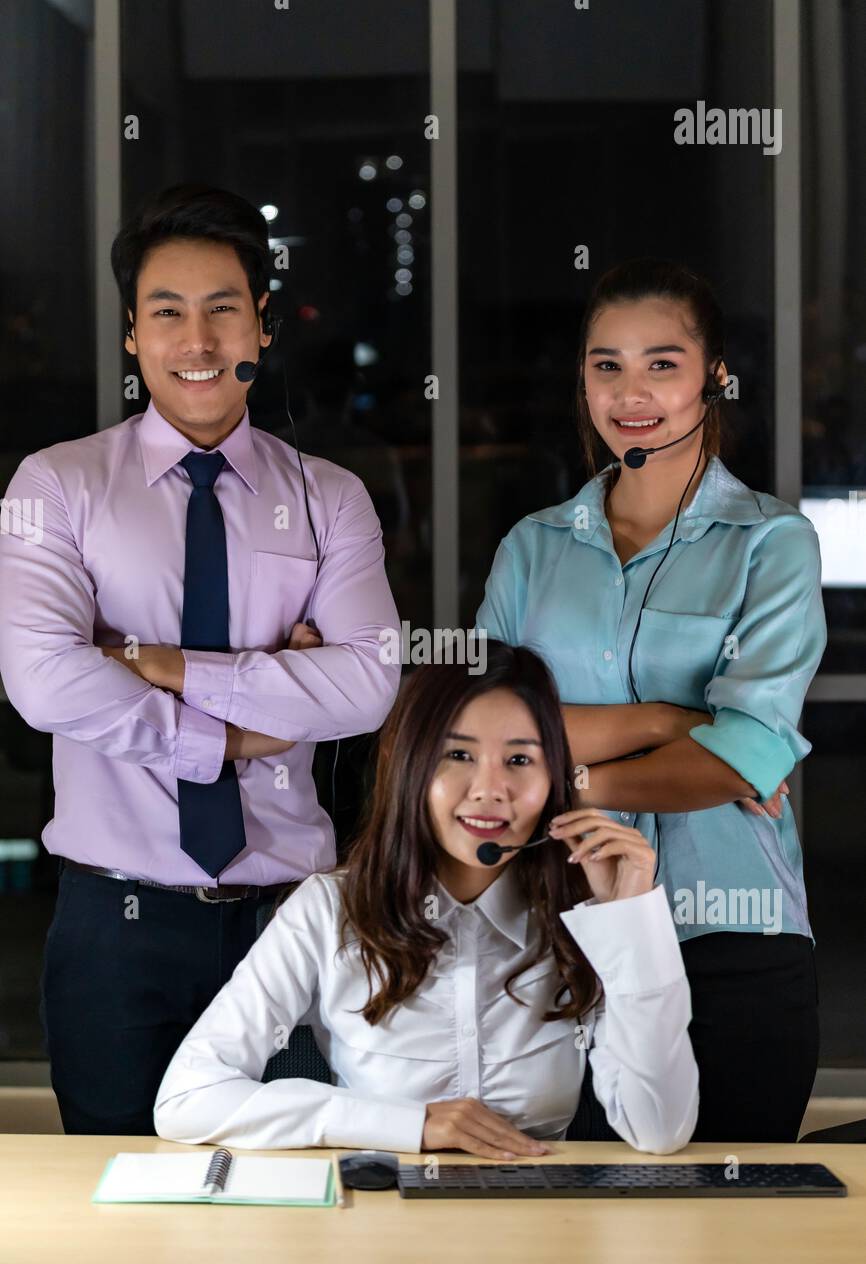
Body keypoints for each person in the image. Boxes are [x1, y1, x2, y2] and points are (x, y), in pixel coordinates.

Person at [0, 183, 400, 1135]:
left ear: (261, 322)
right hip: (116, 930)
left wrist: (152, 661)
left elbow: (369, 683)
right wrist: (230, 738)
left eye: (224, 308)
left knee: (303, 1211)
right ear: (133, 335)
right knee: (123, 1218)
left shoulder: (330, 498)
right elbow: (44, 677)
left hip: (292, 925)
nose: (198, 339)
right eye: (166, 312)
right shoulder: (57, 486)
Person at [476, 259, 827, 1142]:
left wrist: (558, 782)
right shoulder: (534, 548)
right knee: (569, 1247)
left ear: (714, 377)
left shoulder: (772, 543)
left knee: (739, 1253)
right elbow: (480, 729)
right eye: (607, 365)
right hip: (558, 941)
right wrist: (677, 724)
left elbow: (740, 756)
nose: (632, 393)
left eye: (662, 364)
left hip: (734, 939)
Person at [154, 642, 698, 1157]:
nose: (489, 790)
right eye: (459, 754)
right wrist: (413, 1126)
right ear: (406, 760)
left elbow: (659, 1129)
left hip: (539, 1222)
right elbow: (188, 1097)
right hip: (381, 1213)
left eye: (519, 761)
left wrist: (631, 917)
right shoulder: (328, 909)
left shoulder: (588, 914)